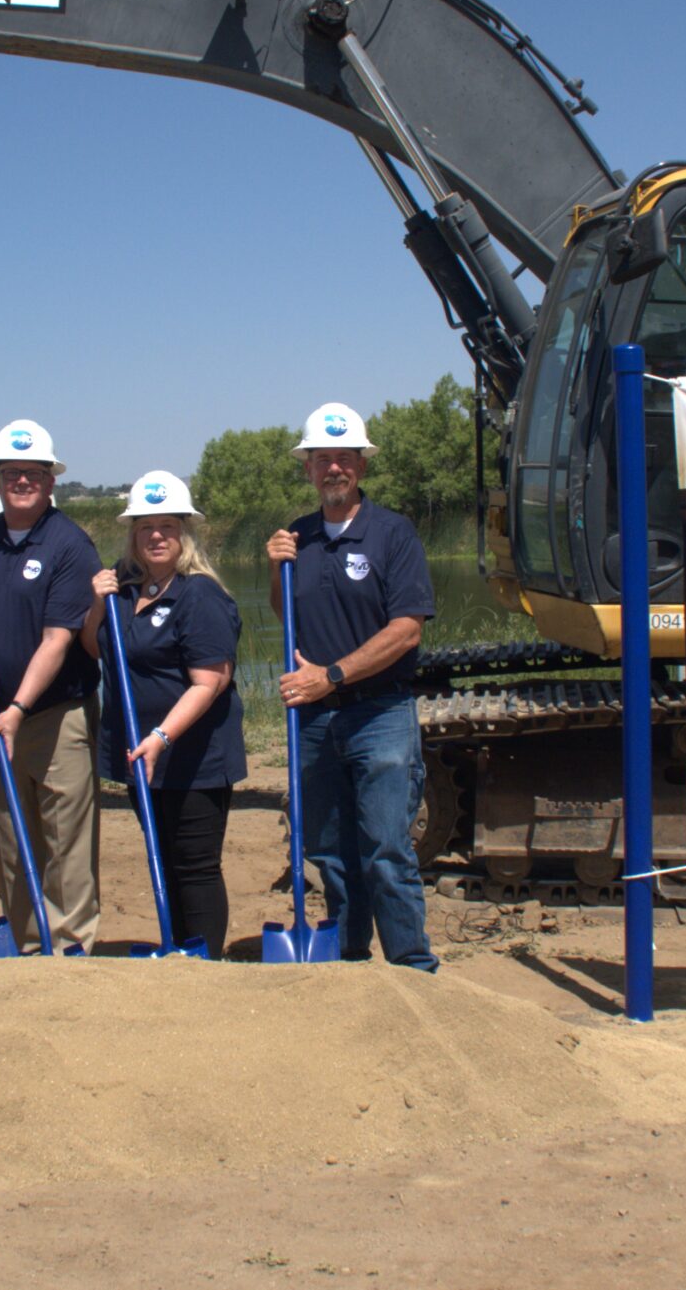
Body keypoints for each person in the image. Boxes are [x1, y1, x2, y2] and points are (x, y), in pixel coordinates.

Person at [266, 402, 438, 971]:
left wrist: (331, 675)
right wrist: (276, 569)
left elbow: (407, 629)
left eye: (344, 458)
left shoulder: (393, 533)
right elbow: (283, 611)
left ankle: (414, 969)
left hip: (379, 714)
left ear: (362, 466)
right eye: (323, 460)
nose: (334, 468)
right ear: (308, 469)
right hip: (314, 720)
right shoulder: (298, 535)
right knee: (329, 854)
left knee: (386, 851)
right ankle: (349, 964)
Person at [0, 418, 102, 953]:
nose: (21, 481)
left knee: (66, 843)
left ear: (51, 480)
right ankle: (28, 947)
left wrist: (17, 706)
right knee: (13, 843)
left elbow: (58, 640)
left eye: (33, 472)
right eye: (11, 472)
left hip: (56, 715)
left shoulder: (70, 545)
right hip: (0, 718)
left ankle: (72, 948)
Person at [84, 471, 245, 956]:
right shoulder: (126, 587)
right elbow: (94, 647)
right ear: (132, 534)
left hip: (192, 756)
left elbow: (209, 682)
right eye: (145, 527)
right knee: (163, 858)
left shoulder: (200, 595)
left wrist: (161, 736)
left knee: (194, 864)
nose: (156, 536)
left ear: (184, 533)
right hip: (142, 754)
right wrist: (96, 604)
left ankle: (204, 961)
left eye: (168, 526)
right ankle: (177, 952)